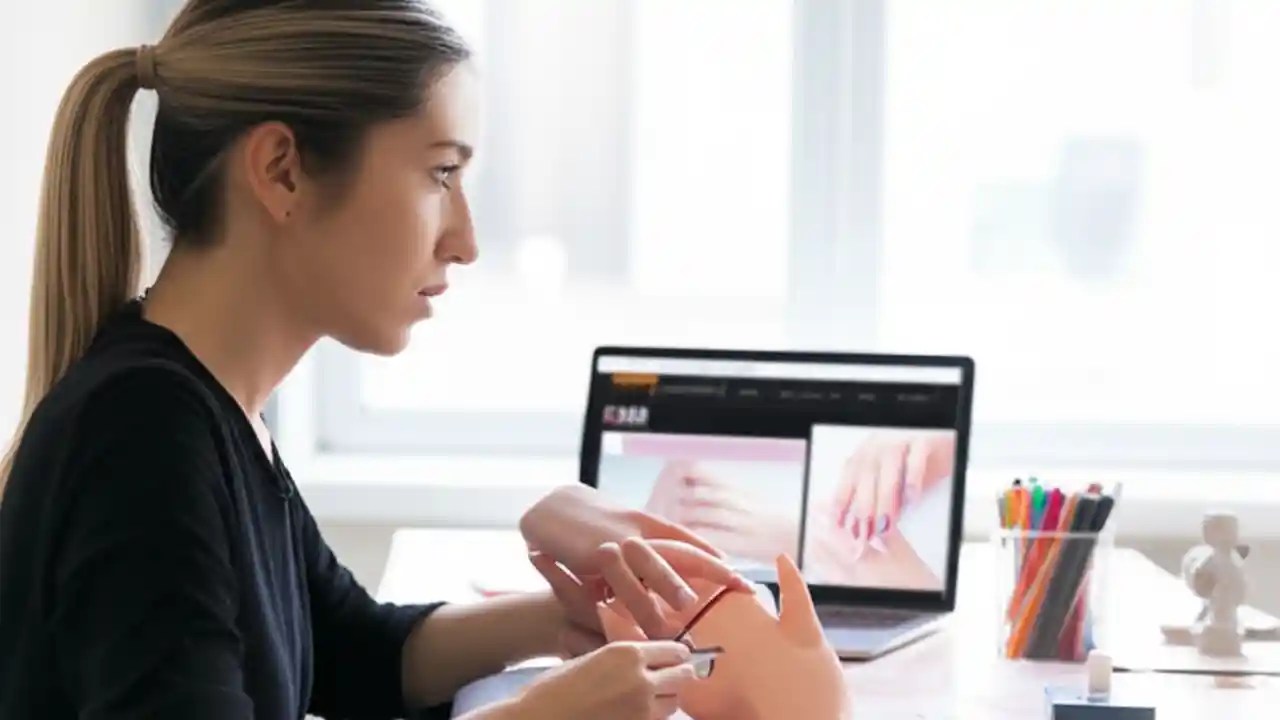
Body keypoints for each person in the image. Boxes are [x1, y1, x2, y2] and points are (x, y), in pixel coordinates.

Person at [0, 2, 749, 719]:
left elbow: (351, 651)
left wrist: (565, 618)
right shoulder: (141, 434)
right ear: (282, 170)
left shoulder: (208, 410)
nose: (466, 240)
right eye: (441, 174)